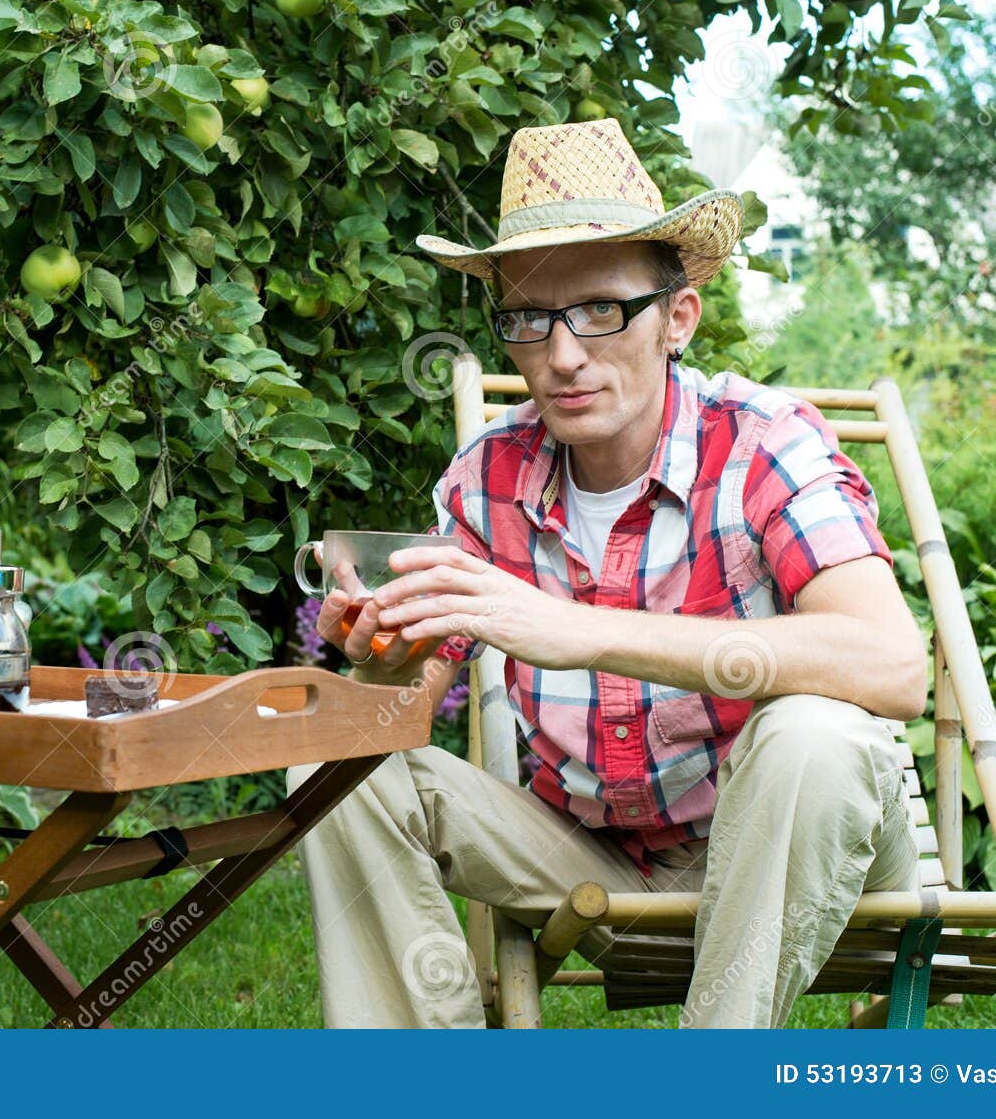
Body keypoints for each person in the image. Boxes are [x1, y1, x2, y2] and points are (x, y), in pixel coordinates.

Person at [286, 117, 926, 1029]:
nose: (563, 357)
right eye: (529, 319)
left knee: (814, 736)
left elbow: (893, 664)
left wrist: (583, 631)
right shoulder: (488, 478)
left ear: (678, 318)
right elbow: (404, 710)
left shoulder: (763, 444)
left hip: (805, 843)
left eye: (599, 311)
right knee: (337, 760)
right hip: (593, 858)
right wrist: (379, 656)